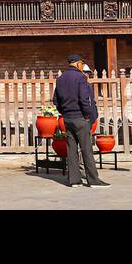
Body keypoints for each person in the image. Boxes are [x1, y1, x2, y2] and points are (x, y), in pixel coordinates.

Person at [52, 53, 107, 188]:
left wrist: (64, 112)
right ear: (77, 63)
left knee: (71, 150)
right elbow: (84, 99)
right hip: (80, 118)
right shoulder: (81, 77)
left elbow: (56, 101)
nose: (83, 67)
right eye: (82, 64)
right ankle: (93, 181)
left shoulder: (60, 79)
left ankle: (74, 180)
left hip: (67, 119)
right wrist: (88, 115)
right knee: (86, 149)